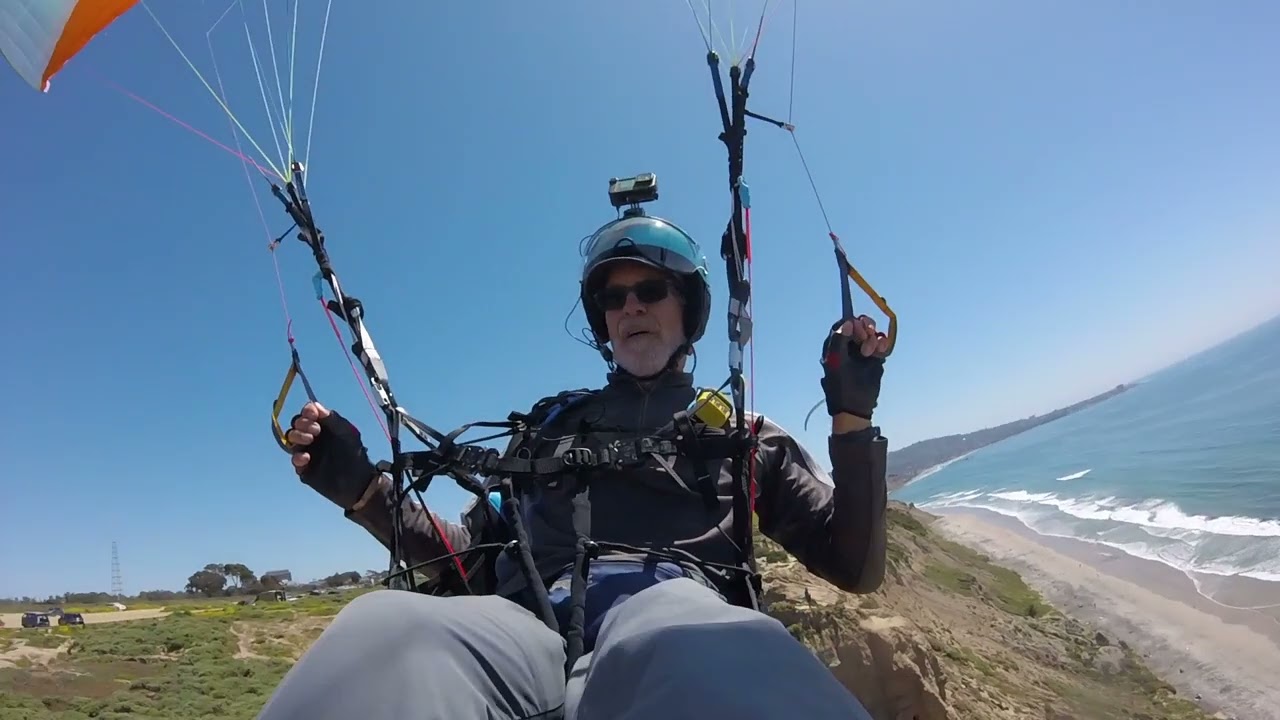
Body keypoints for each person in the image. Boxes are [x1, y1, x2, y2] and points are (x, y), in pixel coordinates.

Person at [256, 210, 890, 720]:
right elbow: (467, 562)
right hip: (523, 631)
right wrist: (365, 492)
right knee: (385, 629)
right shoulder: (546, 427)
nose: (631, 308)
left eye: (650, 289)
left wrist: (852, 421)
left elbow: (852, 564)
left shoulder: (745, 437)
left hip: (671, 614)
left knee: (694, 640)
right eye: (614, 299)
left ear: (689, 306)